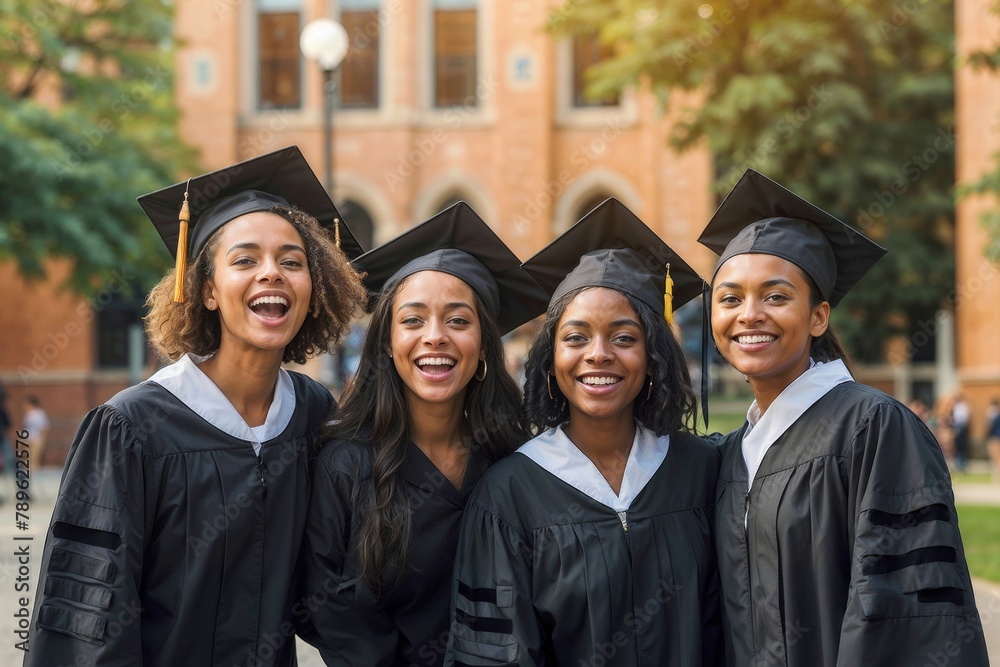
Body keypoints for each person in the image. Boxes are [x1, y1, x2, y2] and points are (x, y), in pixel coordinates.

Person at [24, 146, 367, 667]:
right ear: (207, 291)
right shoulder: (131, 427)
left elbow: (329, 587)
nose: (271, 272)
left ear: (314, 289)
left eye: (291, 261)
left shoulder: (314, 414)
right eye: (245, 259)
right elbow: (87, 618)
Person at [698, 169, 989, 666]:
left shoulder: (875, 428)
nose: (748, 314)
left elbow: (906, 614)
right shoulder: (733, 453)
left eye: (775, 296)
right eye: (730, 298)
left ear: (818, 317)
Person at [444, 198, 723, 667]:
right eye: (575, 337)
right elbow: (494, 652)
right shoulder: (510, 494)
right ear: (550, 362)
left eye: (624, 337)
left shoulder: (701, 471)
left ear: (654, 357)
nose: (598, 354)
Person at [297, 203, 549, 667]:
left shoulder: (515, 462)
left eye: (458, 320)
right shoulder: (345, 464)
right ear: (388, 345)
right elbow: (322, 604)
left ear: (484, 346)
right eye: (412, 320)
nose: (435, 336)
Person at [20, 394, 50, 468]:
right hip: (28, 439)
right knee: (27, 457)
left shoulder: (40, 414)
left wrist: (42, 437)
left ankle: (34, 472)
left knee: (34, 458)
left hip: (37, 438)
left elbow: (45, 426)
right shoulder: (27, 414)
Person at [987, 398, 1000, 482]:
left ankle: (997, 477)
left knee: (996, 459)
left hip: (995, 437)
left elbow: (991, 427)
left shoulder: (995, 416)